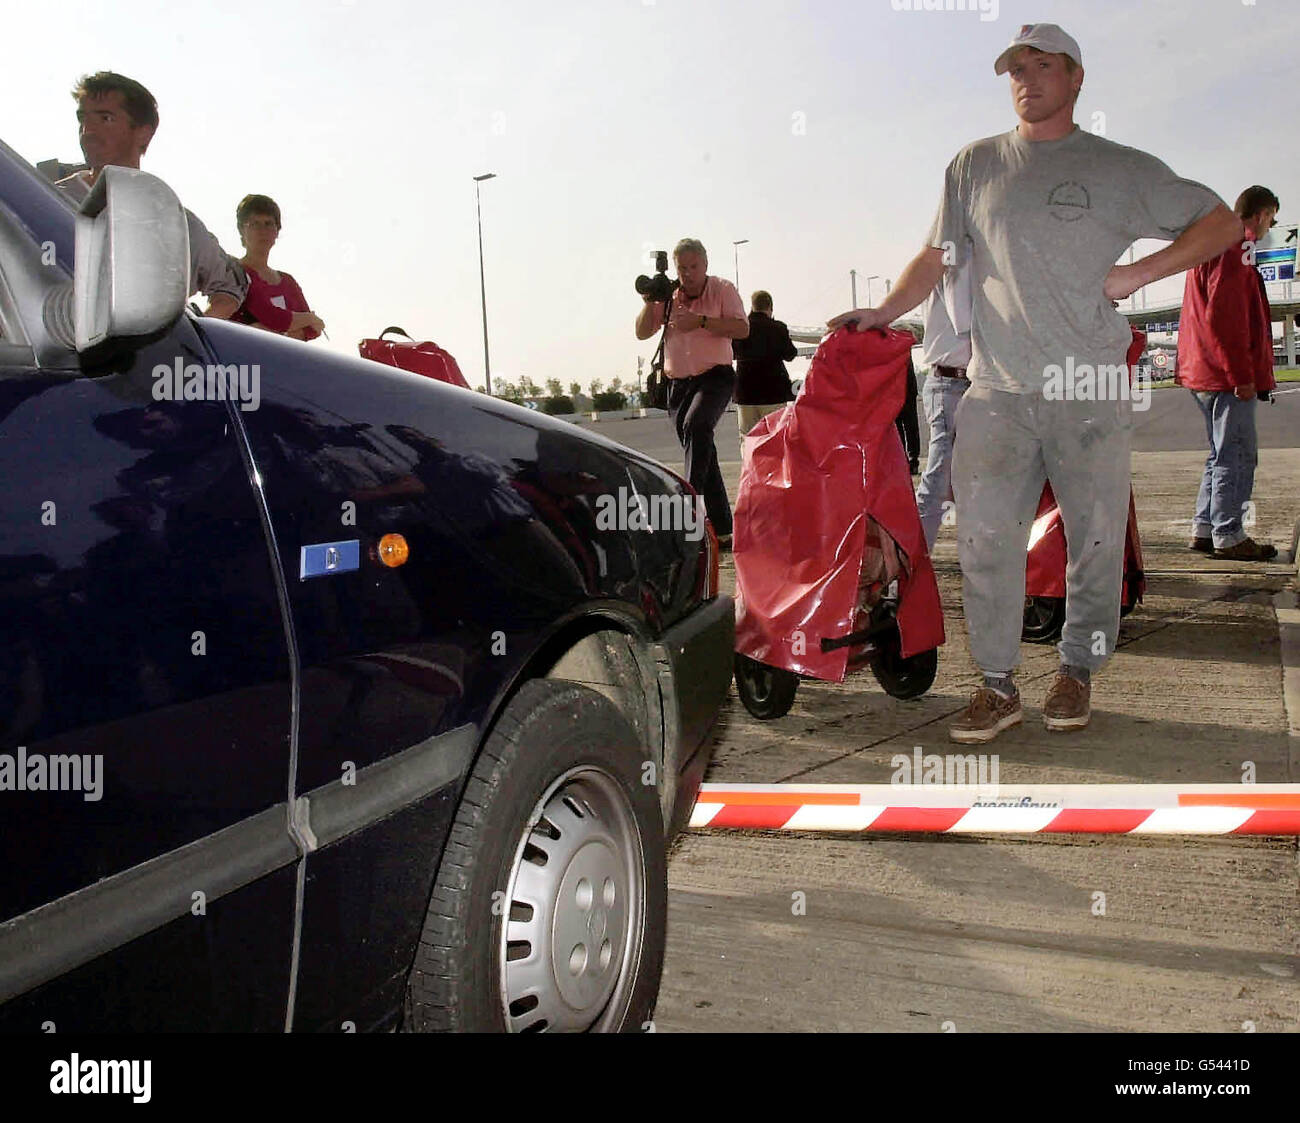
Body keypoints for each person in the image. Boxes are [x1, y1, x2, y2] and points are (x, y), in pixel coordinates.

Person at [828, 23, 1241, 743]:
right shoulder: (973, 166)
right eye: (1015, 67)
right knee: (986, 544)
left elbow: (1221, 222)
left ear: (1075, 76)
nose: (1026, 78)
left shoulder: (1118, 167)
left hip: (1088, 389)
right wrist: (885, 310)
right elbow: (936, 255)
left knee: (1095, 542)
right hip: (995, 391)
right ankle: (995, 684)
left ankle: (1077, 669)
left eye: (1041, 65)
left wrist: (1141, 274)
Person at [56, 72, 247, 319]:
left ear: (143, 133)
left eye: (105, 118)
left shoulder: (172, 220)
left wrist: (187, 343)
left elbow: (231, 285)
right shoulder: (48, 200)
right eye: (83, 118)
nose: (87, 131)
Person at [1179, 185, 1280, 561]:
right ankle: (1229, 534)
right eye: (1272, 218)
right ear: (1263, 212)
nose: (1271, 227)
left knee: (1219, 453)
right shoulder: (1239, 245)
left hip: (1203, 369)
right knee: (1237, 454)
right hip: (1225, 375)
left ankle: (1205, 527)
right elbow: (1227, 316)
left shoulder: (1212, 241)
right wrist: (1242, 374)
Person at [635, 238, 749, 545]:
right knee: (701, 447)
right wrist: (649, 301)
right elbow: (642, 332)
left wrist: (700, 321)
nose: (688, 273)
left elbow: (742, 329)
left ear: (705, 264)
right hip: (678, 385)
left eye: (694, 267)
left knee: (696, 426)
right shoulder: (669, 295)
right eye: (682, 268)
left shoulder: (722, 289)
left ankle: (687, 503)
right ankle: (723, 528)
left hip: (716, 377)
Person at [915, 261, 973, 550]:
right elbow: (964, 317)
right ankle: (912, 564)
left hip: (973, 384)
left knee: (974, 479)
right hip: (950, 382)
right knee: (938, 480)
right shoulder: (954, 263)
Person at [234, 194, 325, 340]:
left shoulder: (288, 282)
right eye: (255, 224)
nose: (262, 231)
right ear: (242, 231)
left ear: (277, 231)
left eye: (269, 224)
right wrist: (308, 318)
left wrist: (286, 330)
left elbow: (314, 329)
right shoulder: (235, 274)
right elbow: (272, 317)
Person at [732, 290, 797, 436]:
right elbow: (790, 354)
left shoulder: (742, 327)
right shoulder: (778, 328)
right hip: (773, 393)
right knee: (774, 437)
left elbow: (732, 353)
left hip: (745, 392)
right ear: (770, 307)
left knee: (748, 438)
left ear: (752, 306)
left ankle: (749, 459)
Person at [894, 353, 921, 475]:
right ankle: (907, 459)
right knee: (903, 426)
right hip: (897, 388)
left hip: (904, 386)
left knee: (908, 425)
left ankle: (911, 459)